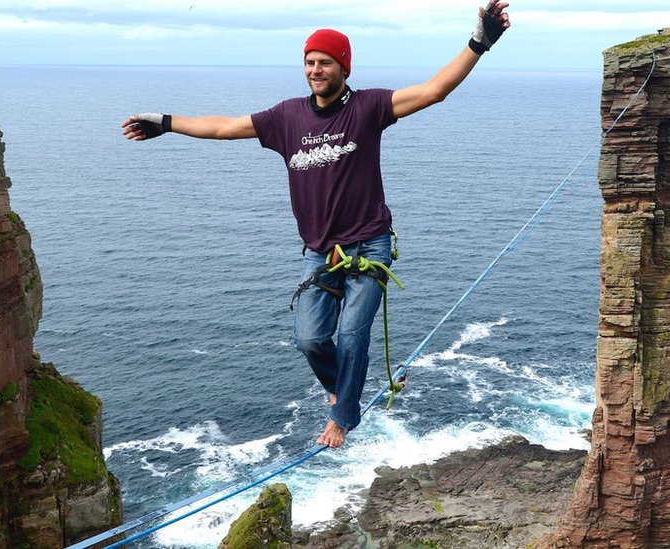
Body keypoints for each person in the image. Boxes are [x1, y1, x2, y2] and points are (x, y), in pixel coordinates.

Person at [121, 2, 511, 448]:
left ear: (344, 66)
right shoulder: (287, 117)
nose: (315, 69)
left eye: (324, 61)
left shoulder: (368, 108)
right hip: (320, 251)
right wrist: (167, 124)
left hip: (369, 246)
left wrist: (478, 44)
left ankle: (343, 416)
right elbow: (223, 127)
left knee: (351, 336)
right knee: (309, 339)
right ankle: (339, 389)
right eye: (309, 62)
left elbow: (434, 90)